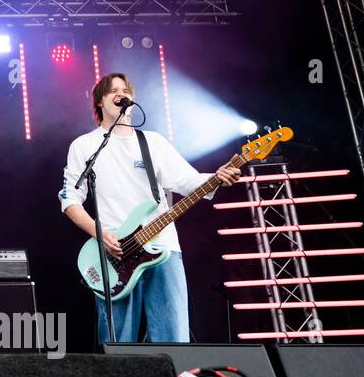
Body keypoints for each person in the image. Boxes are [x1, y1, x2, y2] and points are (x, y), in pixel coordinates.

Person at [59, 73, 239, 343]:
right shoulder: (84, 146)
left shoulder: (152, 142)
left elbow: (187, 181)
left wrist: (216, 177)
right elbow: (70, 200)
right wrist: (100, 234)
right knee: (117, 340)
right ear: (99, 102)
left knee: (173, 336)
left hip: (162, 247)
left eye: (125, 90)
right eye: (113, 91)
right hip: (114, 252)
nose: (121, 94)